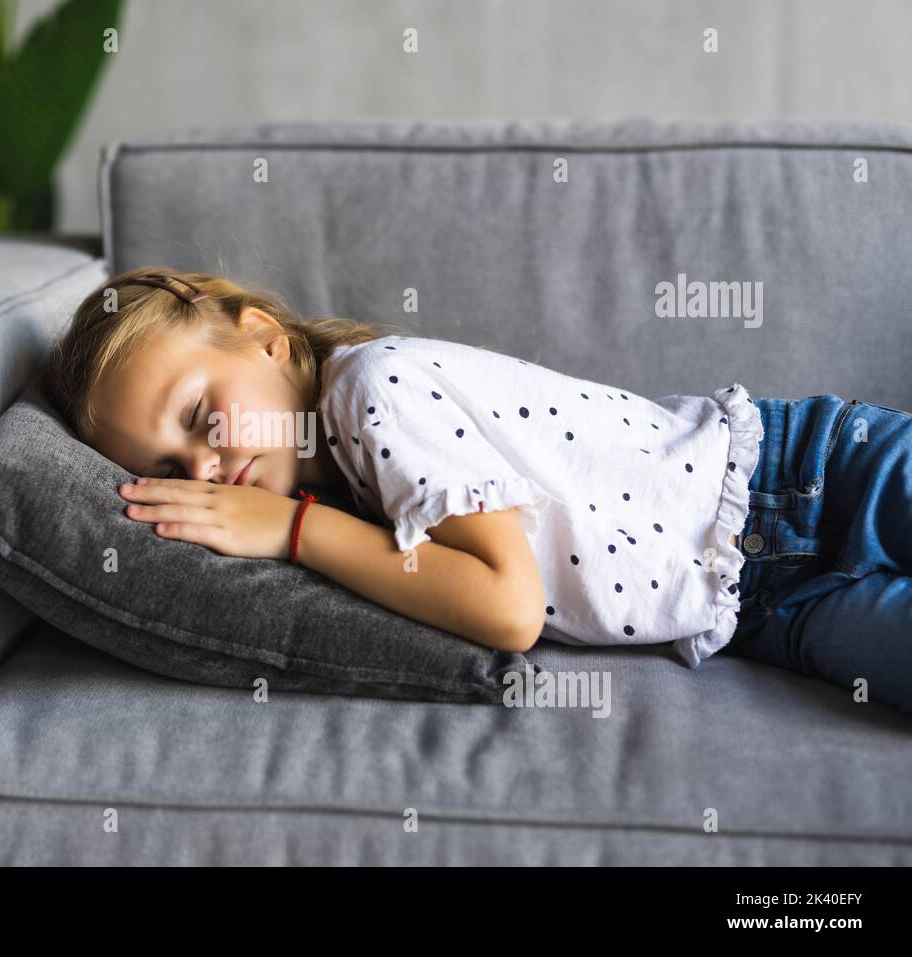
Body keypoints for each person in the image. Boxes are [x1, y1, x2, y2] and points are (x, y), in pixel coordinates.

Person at [44, 267, 912, 716]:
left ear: (264, 338)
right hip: (754, 608)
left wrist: (289, 530)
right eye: (162, 470)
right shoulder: (348, 489)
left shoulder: (370, 393)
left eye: (198, 412)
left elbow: (510, 609)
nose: (201, 469)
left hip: (811, 476)